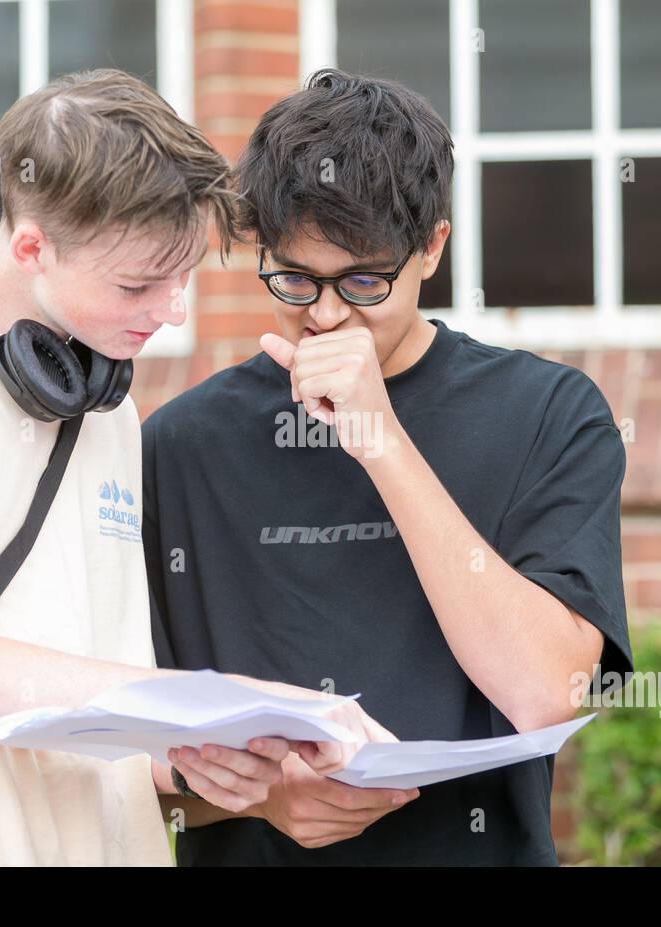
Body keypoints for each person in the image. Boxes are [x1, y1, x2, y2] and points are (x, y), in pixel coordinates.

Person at [0, 69, 386, 866]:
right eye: (140, 282)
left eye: (185, 277)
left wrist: (191, 756)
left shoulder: (107, 408)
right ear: (31, 245)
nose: (174, 310)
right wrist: (227, 698)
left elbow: (95, 703)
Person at [142, 69, 634, 865]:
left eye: (366, 281)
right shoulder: (177, 446)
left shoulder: (548, 415)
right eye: (294, 279)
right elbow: (117, 753)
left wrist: (382, 442)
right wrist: (266, 799)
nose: (328, 314)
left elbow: (548, 693)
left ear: (432, 248)